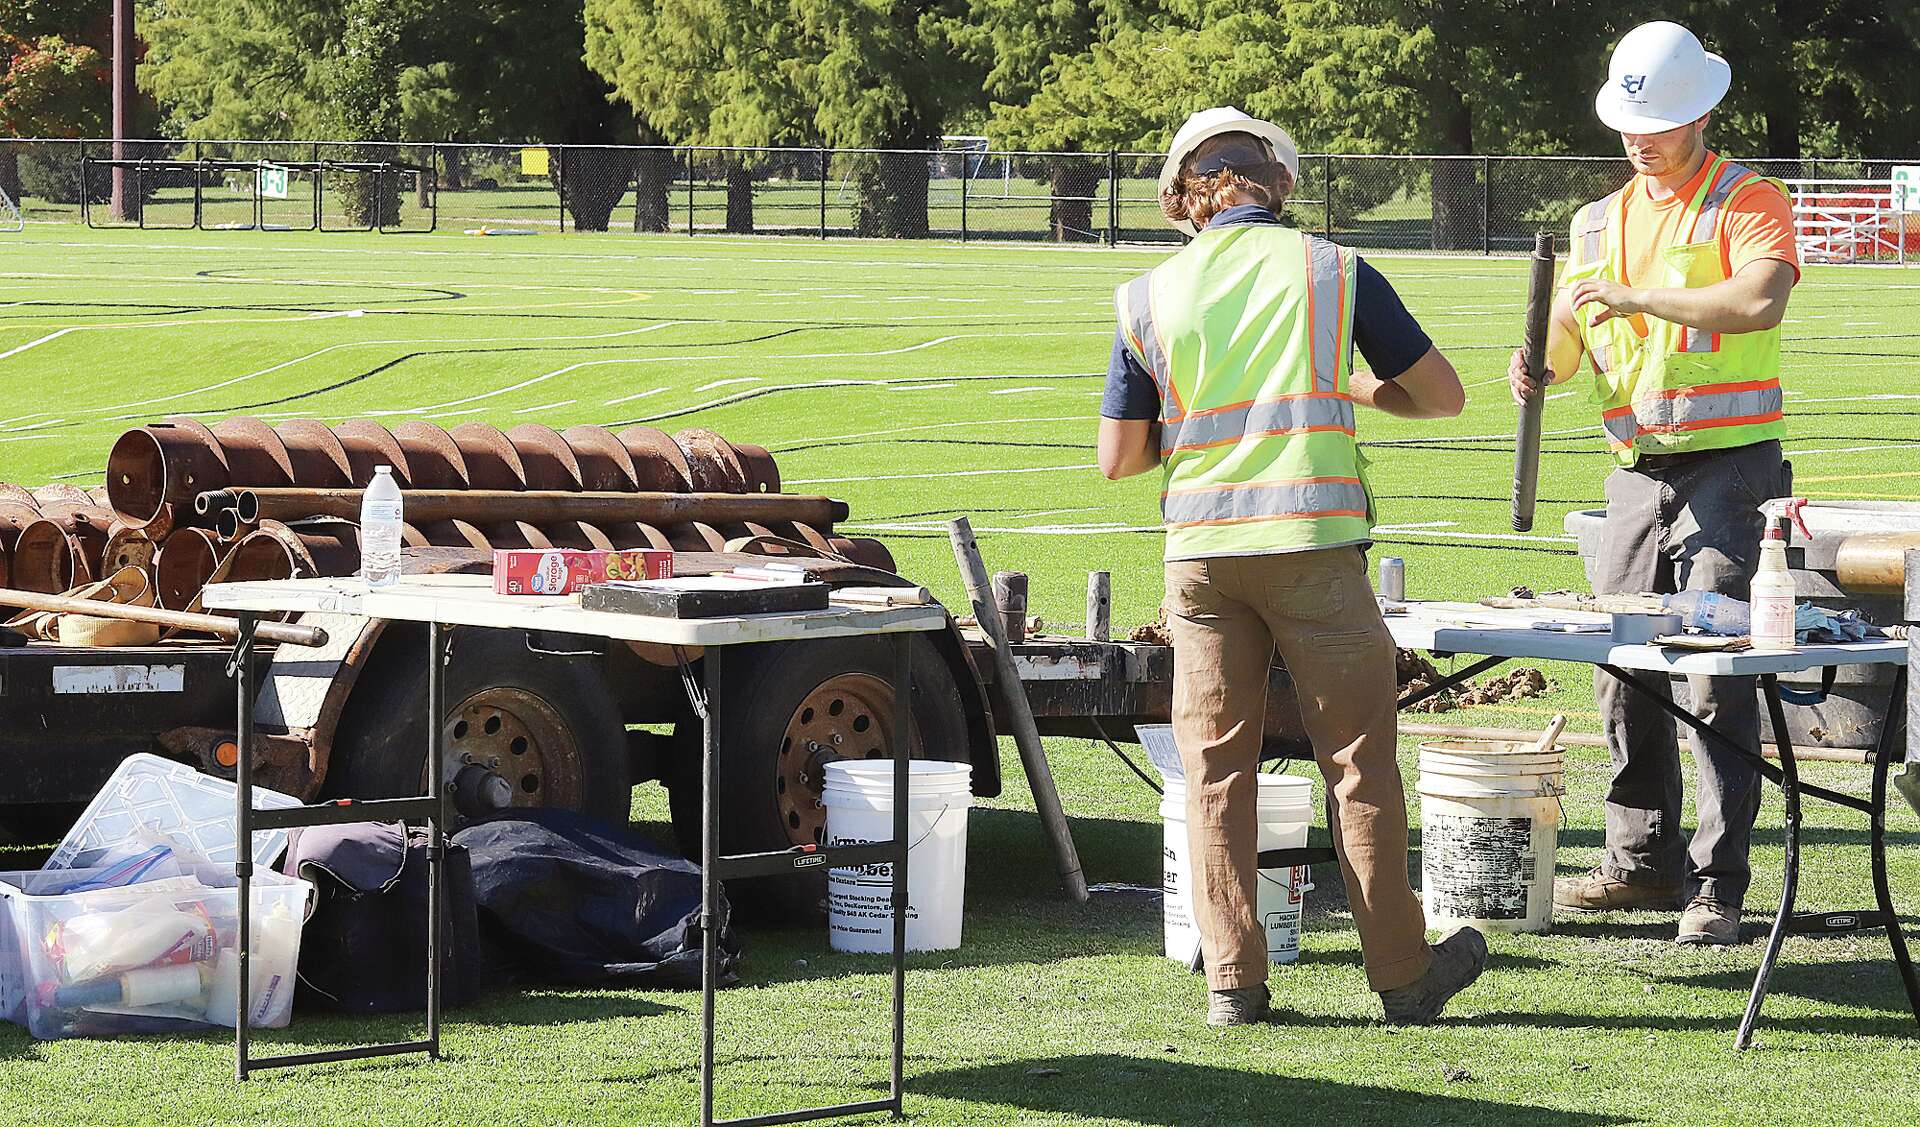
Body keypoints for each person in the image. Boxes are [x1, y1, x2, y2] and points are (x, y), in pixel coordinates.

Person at [1099, 106, 1483, 1027]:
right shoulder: (1333, 269)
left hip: (1199, 558)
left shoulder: (1147, 295)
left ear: (1186, 197)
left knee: (1215, 771)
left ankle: (1233, 977)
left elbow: (1120, 456)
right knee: (1357, 761)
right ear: (1278, 182)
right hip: (1311, 543)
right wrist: (1343, 384)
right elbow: (1442, 396)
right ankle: (1401, 972)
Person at [1509, 21, 1800, 946]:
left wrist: (1637, 299)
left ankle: (1719, 884)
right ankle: (1640, 867)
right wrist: (1541, 368)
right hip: (1636, 468)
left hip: (1731, 468)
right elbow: (1566, 333)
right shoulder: (1596, 219)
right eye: (1632, 122)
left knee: (1716, 677)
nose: (1642, 138)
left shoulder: (1748, 199)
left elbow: (1756, 299)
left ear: (1704, 113)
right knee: (1625, 669)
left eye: (1662, 121)